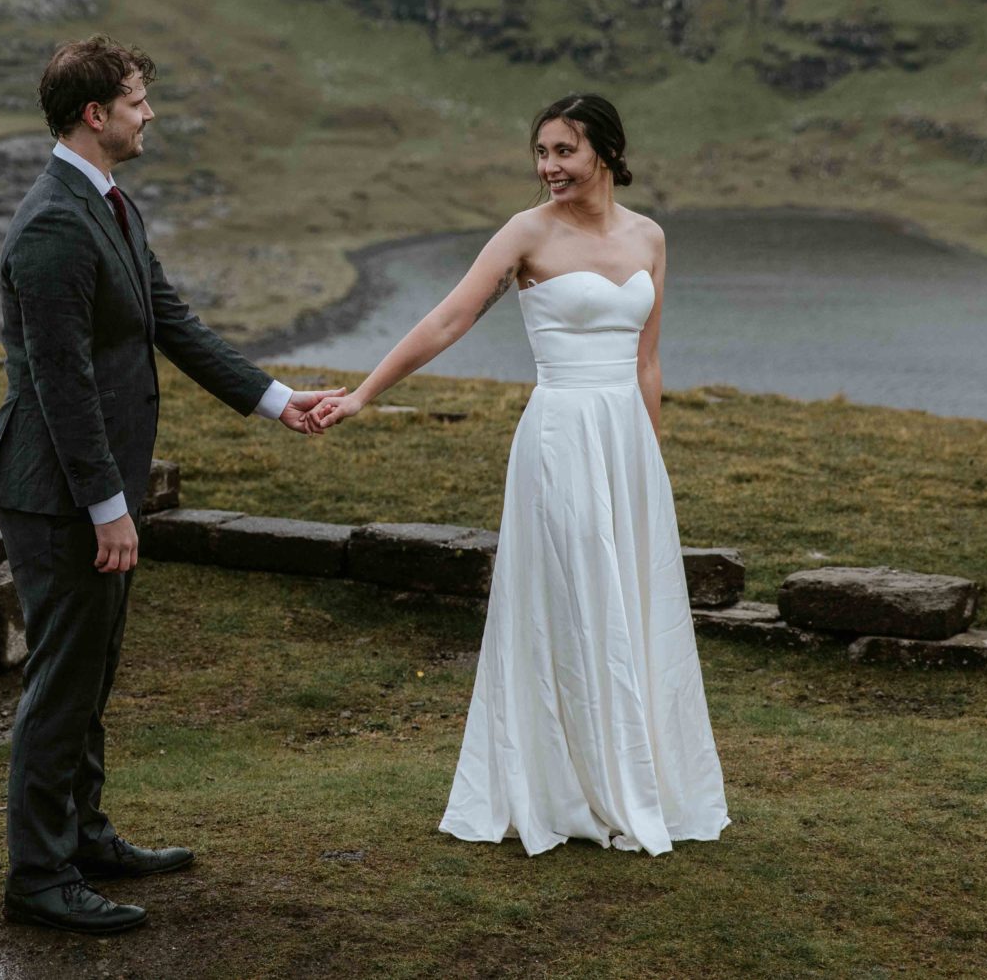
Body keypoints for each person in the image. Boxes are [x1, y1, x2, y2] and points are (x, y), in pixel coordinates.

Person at [0, 35, 345, 934]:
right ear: (96, 114)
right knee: (63, 676)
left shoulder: (106, 201)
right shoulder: (57, 222)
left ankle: (83, 833)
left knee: (92, 668)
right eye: (139, 100)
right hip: (60, 489)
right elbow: (60, 383)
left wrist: (275, 398)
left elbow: (169, 320)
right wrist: (110, 506)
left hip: (95, 483)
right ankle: (37, 876)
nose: (151, 115)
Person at [311, 93, 729, 855]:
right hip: (562, 434)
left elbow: (647, 358)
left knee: (630, 603)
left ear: (603, 149)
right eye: (541, 153)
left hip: (627, 446)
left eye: (563, 151)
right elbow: (447, 319)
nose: (548, 167)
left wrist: (651, 463)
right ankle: (566, 787)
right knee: (570, 598)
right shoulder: (525, 233)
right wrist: (365, 394)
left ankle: (639, 778)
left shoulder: (650, 237)